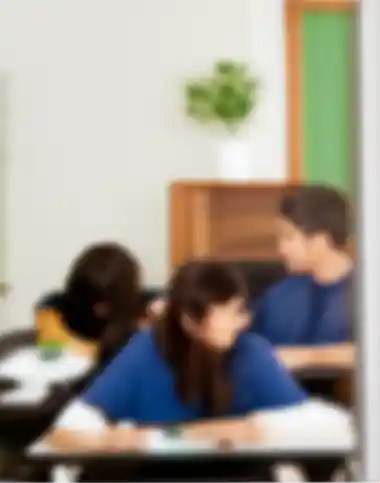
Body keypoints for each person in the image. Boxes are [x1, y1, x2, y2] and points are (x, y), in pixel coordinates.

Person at [46, 261, 348, 452]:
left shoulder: (250, 351)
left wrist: (253, 429)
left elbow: (326, 426)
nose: (243, 321)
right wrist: (113, 440)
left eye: (242, 310)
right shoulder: (146, 350)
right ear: (191, 321)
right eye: (231, 313)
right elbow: (65, 432)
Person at [252, 184, 355, 370]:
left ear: (320, 239)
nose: (281, 249)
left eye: (289, 237)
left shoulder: (370, 294)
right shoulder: (279, 296)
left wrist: (306, 357)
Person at [34, 242, 159, 368]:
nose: (99, 309)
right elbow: (53, 353)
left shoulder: (148, 306)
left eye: (108, 301)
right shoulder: (54, 308)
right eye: (92, 298)